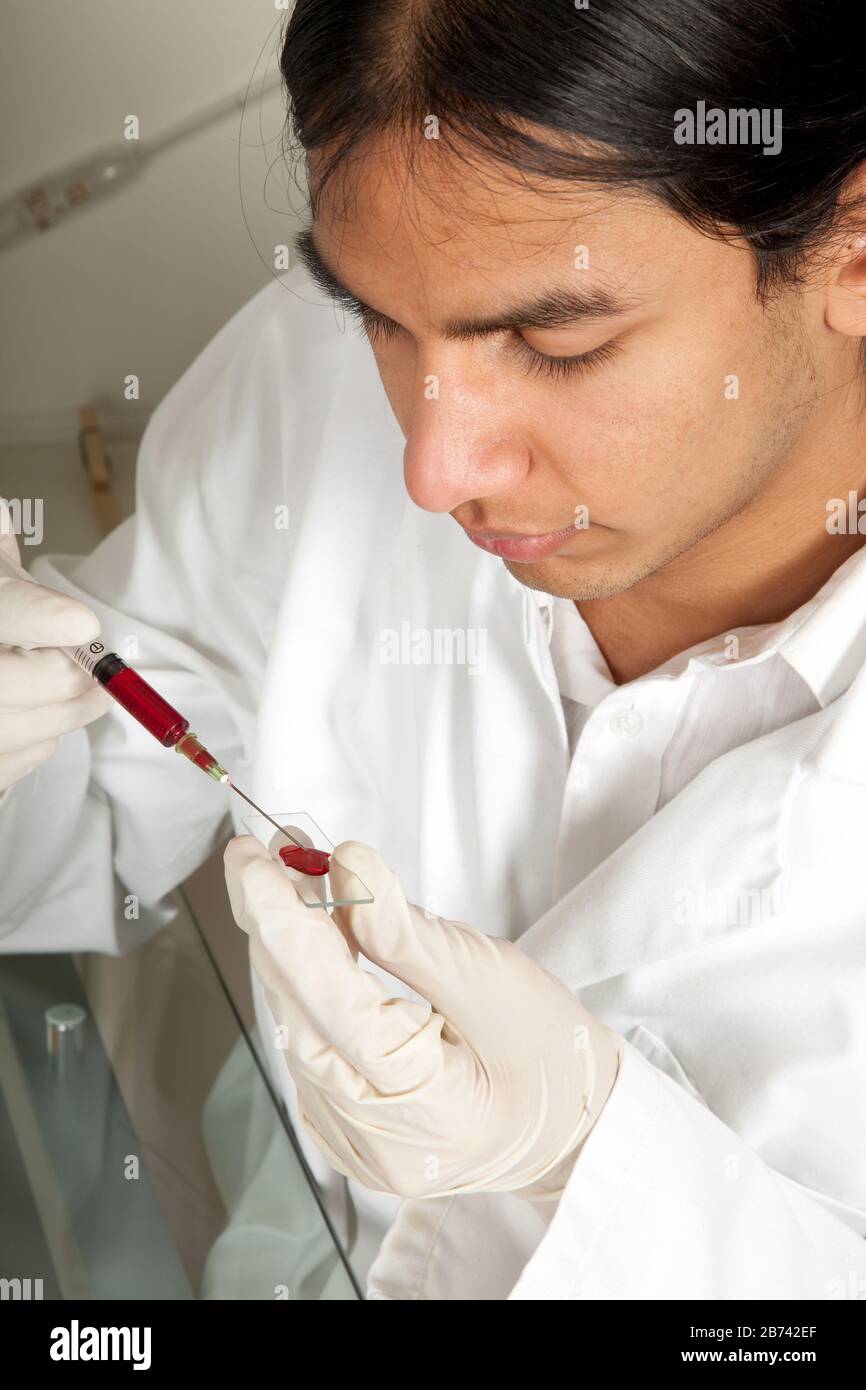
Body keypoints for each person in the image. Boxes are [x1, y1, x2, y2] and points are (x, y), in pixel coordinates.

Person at [2, 0, 866, 1299]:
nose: (431, 467)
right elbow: (92, 837)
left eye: (559, 343)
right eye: (374, 317)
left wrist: (584, 1158)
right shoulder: (314, 374)